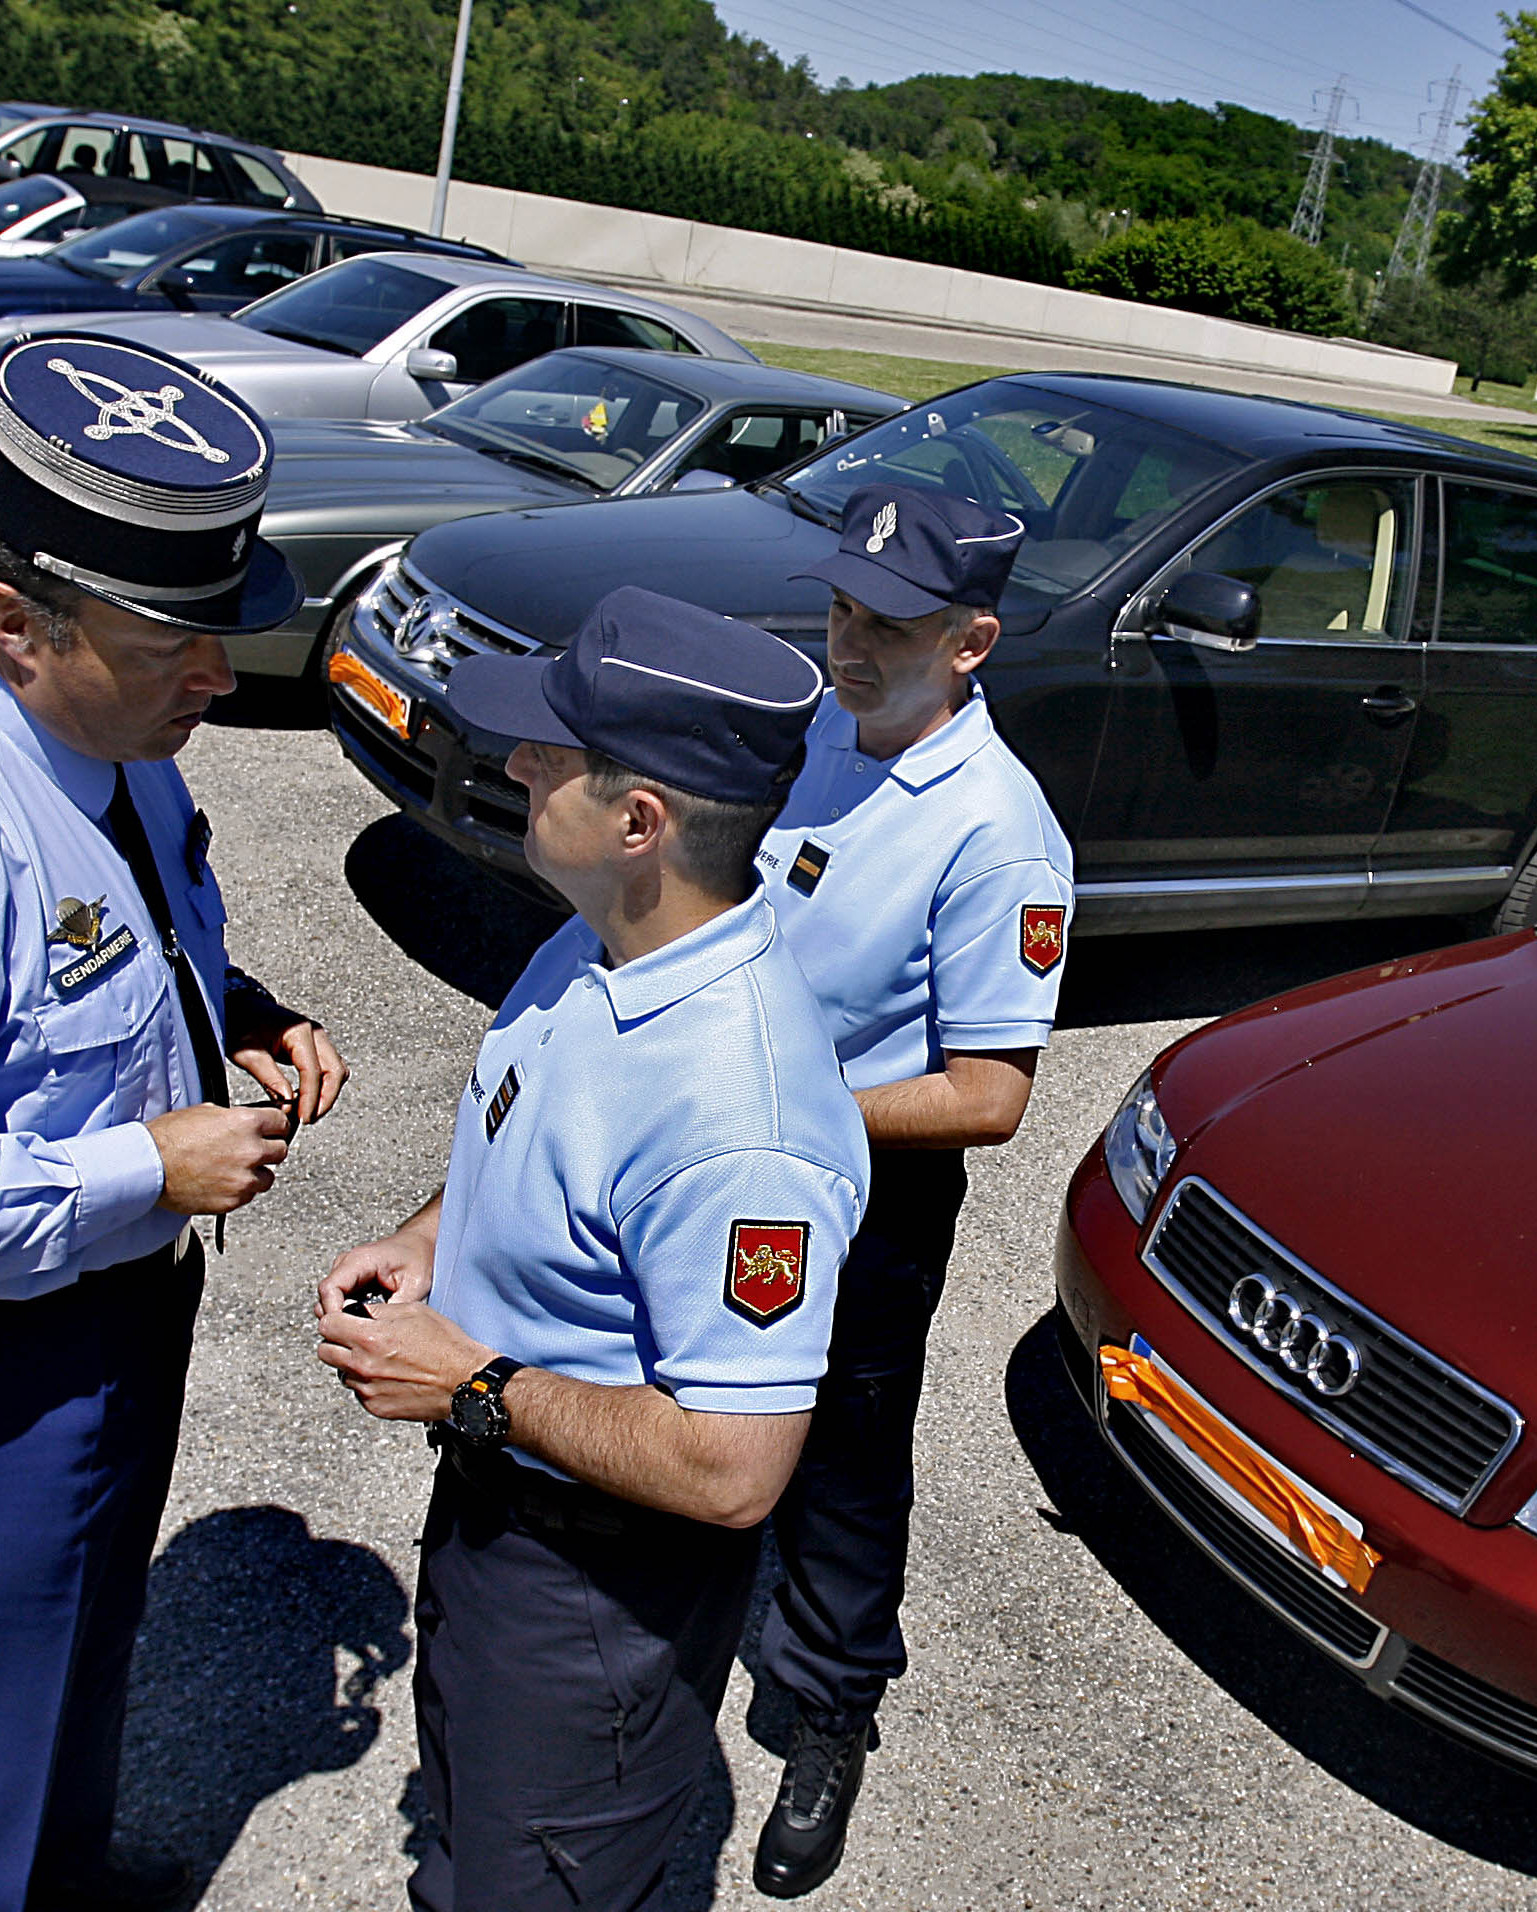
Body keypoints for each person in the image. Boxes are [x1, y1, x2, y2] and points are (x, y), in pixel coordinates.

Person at [313, 586, 871, 1912]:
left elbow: (736, 1469)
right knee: (469, 1840)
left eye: (547, 754)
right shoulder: (605, 935)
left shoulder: (745, 1125)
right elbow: (545, 1144)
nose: (514, 764)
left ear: (641, 822)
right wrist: (428, 1241)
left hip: (596, 1595)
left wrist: (474, 1385)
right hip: (501, 1521)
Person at [0, 334, 350, 1912]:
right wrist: (153, 1165)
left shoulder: (113, 747)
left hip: (116, 1315)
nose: (219, 676)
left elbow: (126, 919)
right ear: (12, 623)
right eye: (174, 640)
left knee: (81, 1647)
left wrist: (233, 1008)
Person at [749, 483, 1074, 1896]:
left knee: (840, 1464)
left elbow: (990, 1099)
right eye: (840, 609)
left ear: (974, 642)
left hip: (864, 1198)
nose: (848, 641)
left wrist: (783, 1109)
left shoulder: (1001, 835)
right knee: (705, 1402)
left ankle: (831, 1707)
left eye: (887, 625)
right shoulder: (832, 720)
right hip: (734, 1155)